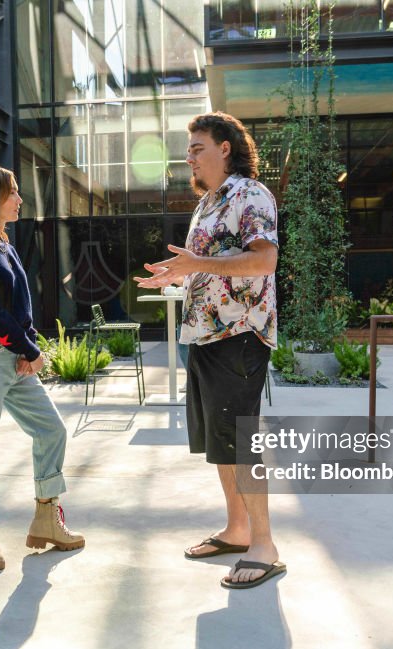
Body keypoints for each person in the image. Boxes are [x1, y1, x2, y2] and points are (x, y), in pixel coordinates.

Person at [135, 112, 283, 589]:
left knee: (240, 440)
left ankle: (265, 545)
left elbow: (264, 260)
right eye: (188, 150)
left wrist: (197, 262)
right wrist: (180, 273)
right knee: (221, 443)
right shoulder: (209, 204)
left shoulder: (249, 194)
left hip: (239, 335)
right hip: (204, 336)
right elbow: (211, 265)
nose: (190, 158)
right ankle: (238, 530)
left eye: (198, 148)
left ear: (225, 148)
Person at [0, 165, 84, 571]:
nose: (19, 199)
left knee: (51, 430)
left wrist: (29, 348)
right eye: (12, 192)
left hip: (15, 357)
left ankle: (46, 516)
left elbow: (18, 308)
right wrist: (28, 348)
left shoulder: (4, 246)